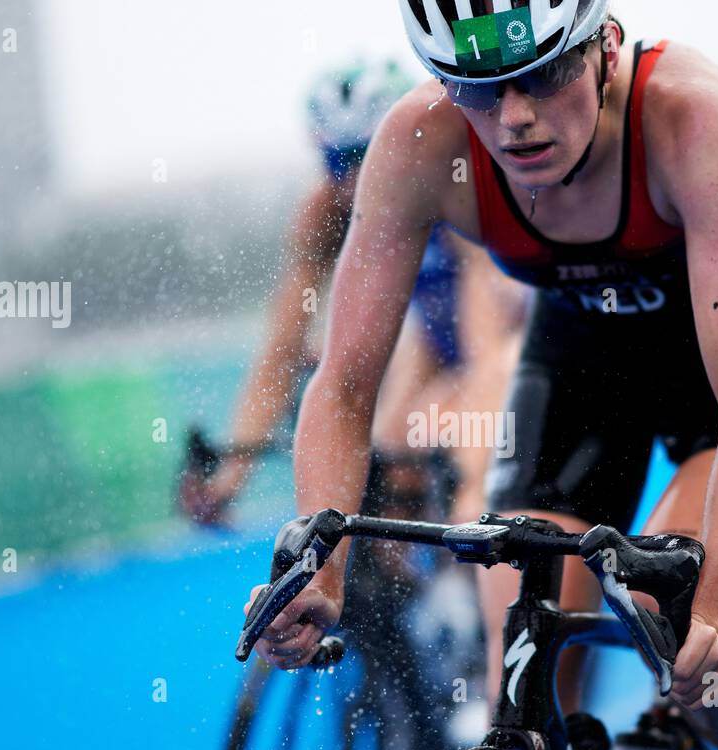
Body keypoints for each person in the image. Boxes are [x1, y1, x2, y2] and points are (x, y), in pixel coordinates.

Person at [246, 0, 718, 750]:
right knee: (519, 640)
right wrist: (319, 566)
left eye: (542, 75)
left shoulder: (692, 115)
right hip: (582, 360)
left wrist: (706, 609)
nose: (515, 117)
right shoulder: (419, 144)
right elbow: (342, 383)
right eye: (478, 90)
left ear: (605, 48)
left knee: (659, 609)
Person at [179, 57, 528, 527]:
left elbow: (486, 354)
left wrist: (472, 491)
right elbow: (281, 353)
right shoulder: (321, 212)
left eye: (369, 153)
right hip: (438, 341)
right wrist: (231, 475)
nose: (356, 179)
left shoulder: (451, 183)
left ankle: (465, 560)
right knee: (383, 456)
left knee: (422, 436)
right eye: (339, 162)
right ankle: (415, 582)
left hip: (516, 340)